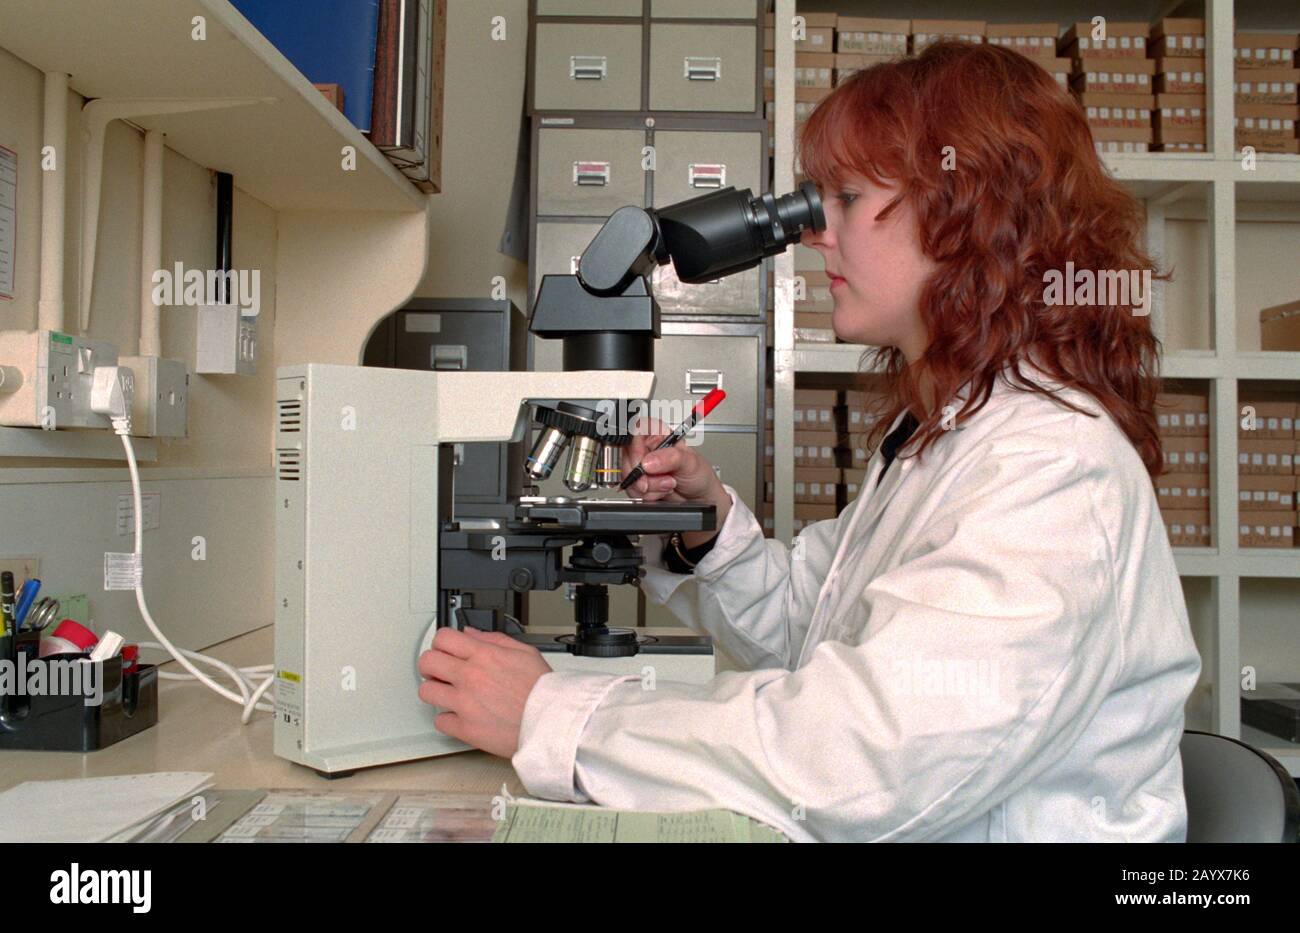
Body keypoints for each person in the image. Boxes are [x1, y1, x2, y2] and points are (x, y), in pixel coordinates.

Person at [417, 41, 1202, 842]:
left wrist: (556, 717)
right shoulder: (941, 434)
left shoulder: (1053, 470)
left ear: (968, 212)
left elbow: (864, 763)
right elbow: (818, 629)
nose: (816, 231)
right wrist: (707, 528)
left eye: (849, 197)